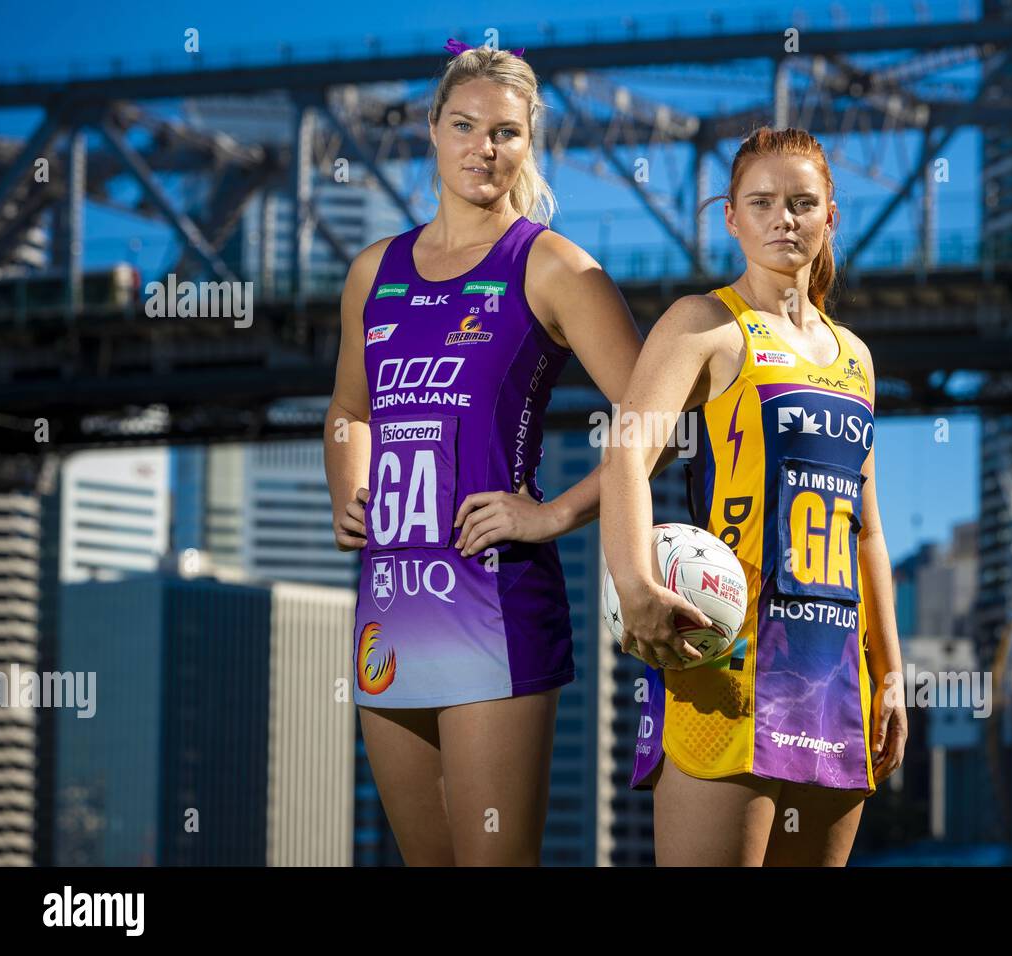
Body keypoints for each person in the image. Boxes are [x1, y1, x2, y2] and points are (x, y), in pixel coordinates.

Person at [323, 39, 647, 866]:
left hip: (494, 609)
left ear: (530, 142)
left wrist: (552, 515)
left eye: (506, 132)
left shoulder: (553, 266)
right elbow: (350, 411)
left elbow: (662, 422)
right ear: (432, 129)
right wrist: (345, 487)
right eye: (464, 125)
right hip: (389, 605)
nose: (483, 148)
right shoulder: (375, 271)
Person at [600, 126, 907, 866]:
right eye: (762, 203)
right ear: (731, 217)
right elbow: (626, 457)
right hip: (726, 663)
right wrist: (635, 583)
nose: (784, 219)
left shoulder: (855, 357)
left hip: (834, 677)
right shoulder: (702, 324)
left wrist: (891, 674)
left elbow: (867, 530)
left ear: (831, 215)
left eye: (802, 204)